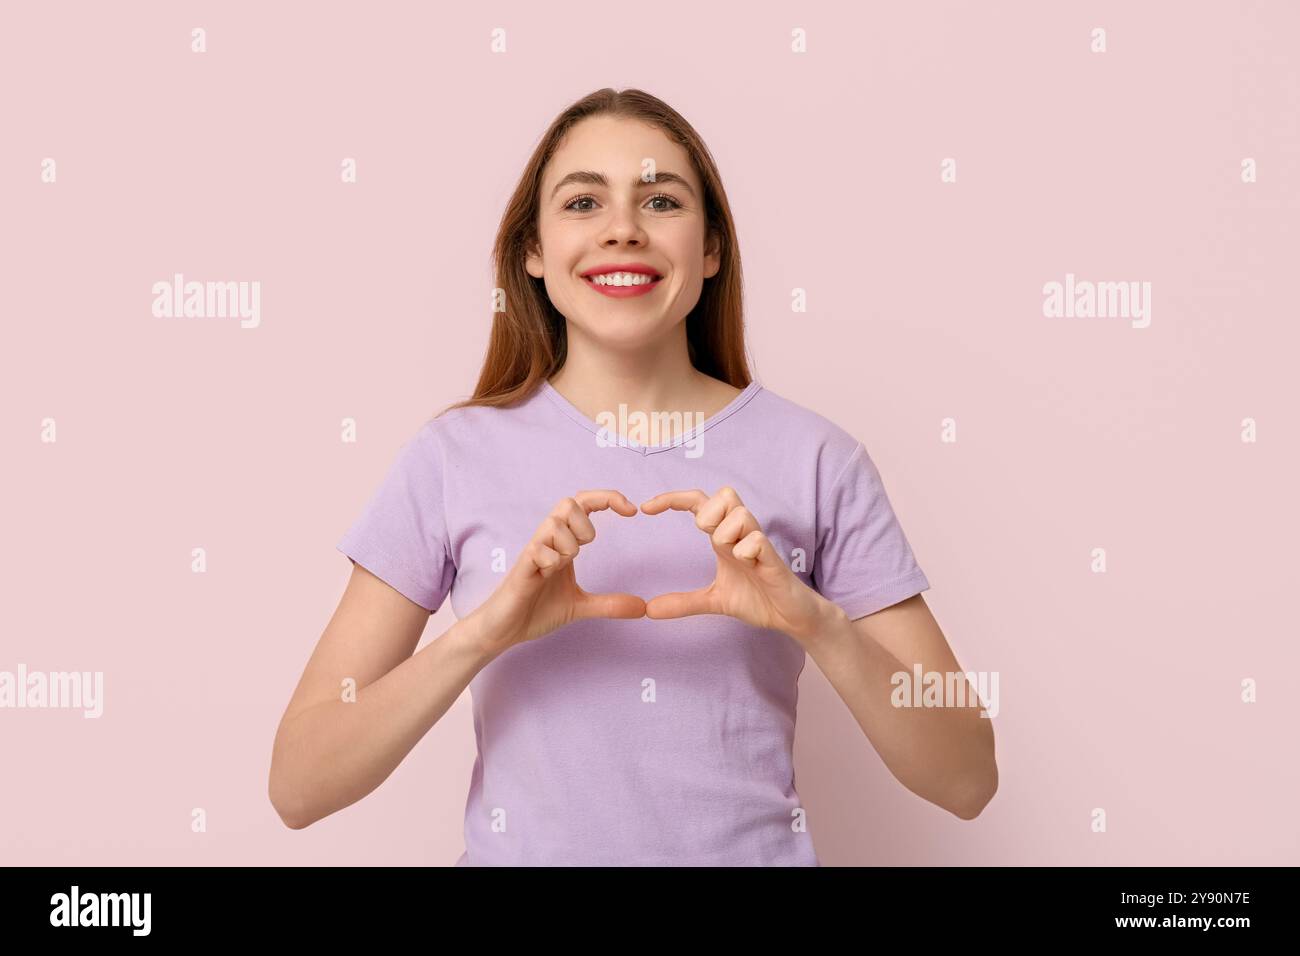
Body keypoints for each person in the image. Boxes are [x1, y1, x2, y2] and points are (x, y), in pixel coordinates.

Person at [268, 88, 998, 865]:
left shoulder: (819, 458)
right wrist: (484, 633)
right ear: (534, 252)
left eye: (660, 199)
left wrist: (813, 621)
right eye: (584, 201)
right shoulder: (452, 457)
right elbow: (300, 784)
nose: (623, 229)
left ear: (711, 249)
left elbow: (967, 778)